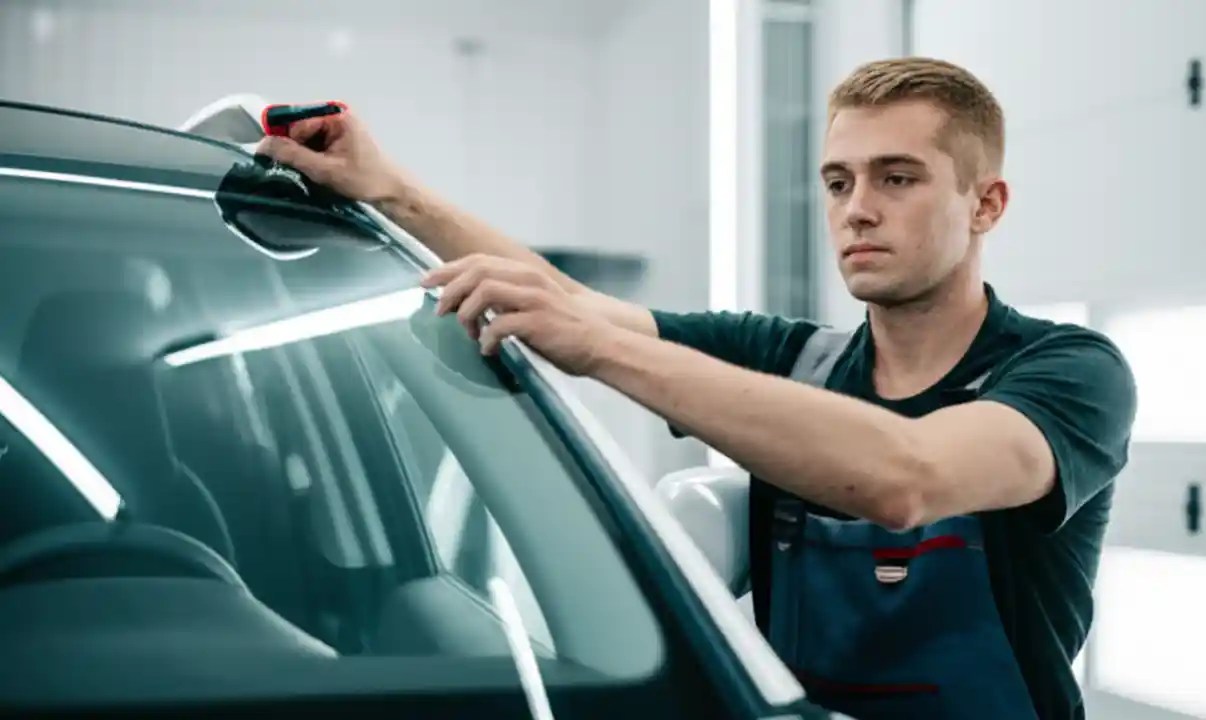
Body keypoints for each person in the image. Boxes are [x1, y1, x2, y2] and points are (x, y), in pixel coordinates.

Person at [259, 57, 1136, 720]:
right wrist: (391, 190)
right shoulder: (797, 358)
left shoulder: (1068, 373)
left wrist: (598, 348)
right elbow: (568, 305)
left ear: (986, 204)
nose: (856, 208)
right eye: (838, 181)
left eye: (896, 178)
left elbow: (906, 478)